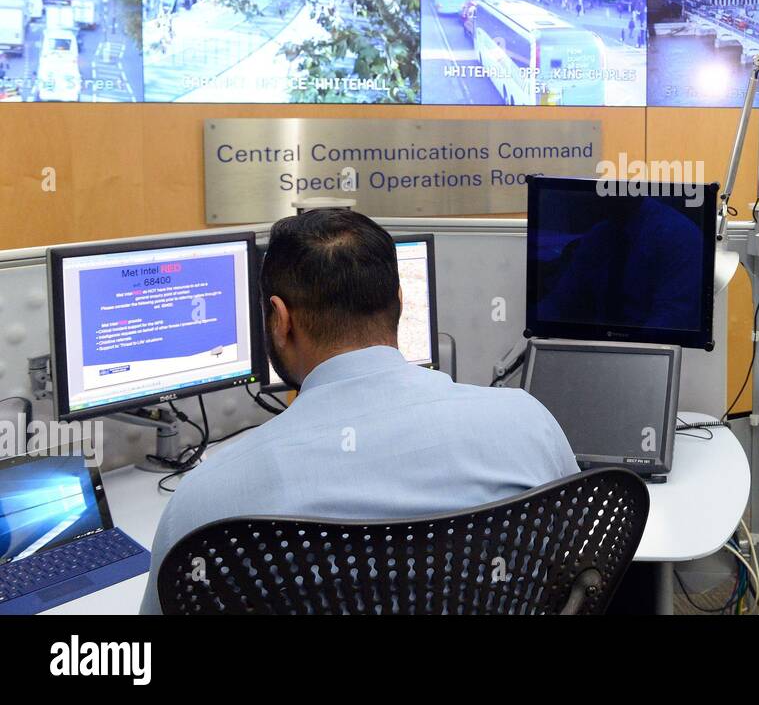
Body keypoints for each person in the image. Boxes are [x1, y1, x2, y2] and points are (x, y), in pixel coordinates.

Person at [140, 210, 578, 614]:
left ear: (280, 319)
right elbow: (572, 567)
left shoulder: (207, 500)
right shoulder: (528, 423)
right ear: (401, 301)